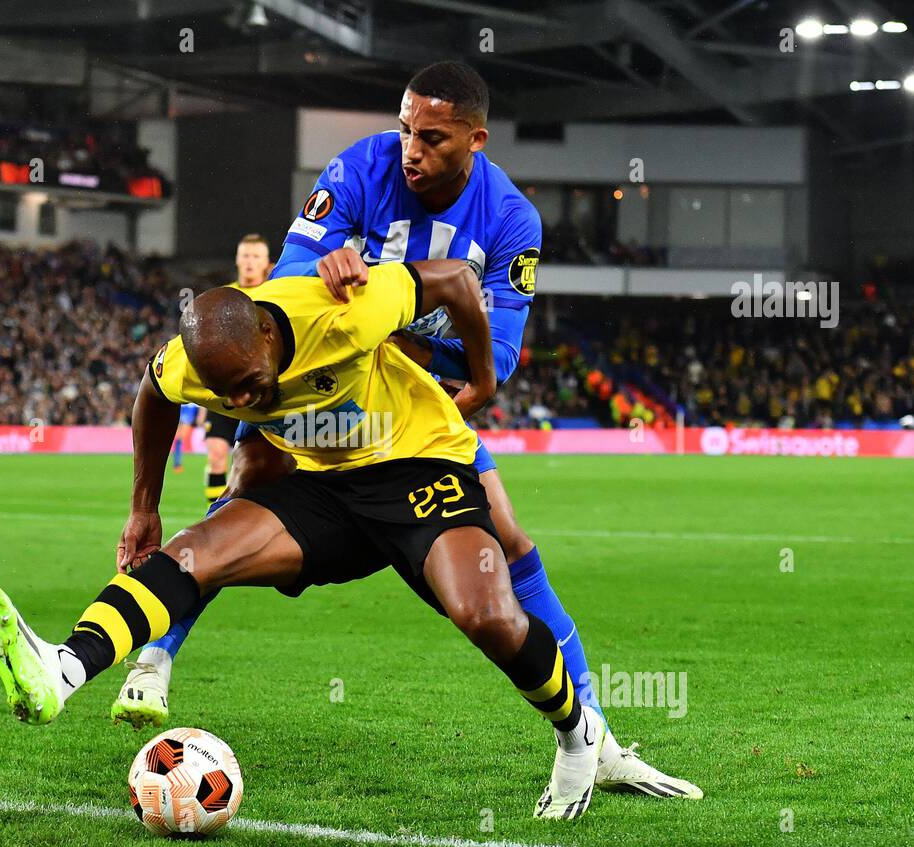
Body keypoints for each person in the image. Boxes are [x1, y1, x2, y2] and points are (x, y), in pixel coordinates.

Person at [115, 60, 699, 800]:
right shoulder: (358, 167)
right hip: (314, 389)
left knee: (509, 543)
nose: (410, 150)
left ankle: (597, 738)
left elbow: (498, 353)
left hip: (411, 410)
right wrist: (349, 299)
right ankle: (156, 657)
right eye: (404, 129)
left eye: (431, 137)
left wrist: (392, 321)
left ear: (475, 139)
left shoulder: (512, 219)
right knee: (243, 489)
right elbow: (292, 298)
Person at [0, 259, 605, 820]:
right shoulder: (195, 361)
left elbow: (456, 280)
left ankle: (577, 738)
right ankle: (63, 671)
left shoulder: (345, 314)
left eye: (248, 380)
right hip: (322, 486)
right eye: (226, 393)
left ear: (269, 334)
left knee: (487, 615)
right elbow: (153, 393)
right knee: (192, 553)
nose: (241, 397)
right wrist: (143, 509)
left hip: (419, 465)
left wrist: (485, 378)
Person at [199, 234, 273, 502]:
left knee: (257, 464)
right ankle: (213, 516)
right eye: (245, 255)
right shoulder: (223, 298)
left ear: (267, 263)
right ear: (237, 259)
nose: (250, 262)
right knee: (217, 453)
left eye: (256, 256)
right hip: (226, 391)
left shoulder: (276, 293)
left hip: (262, 394)